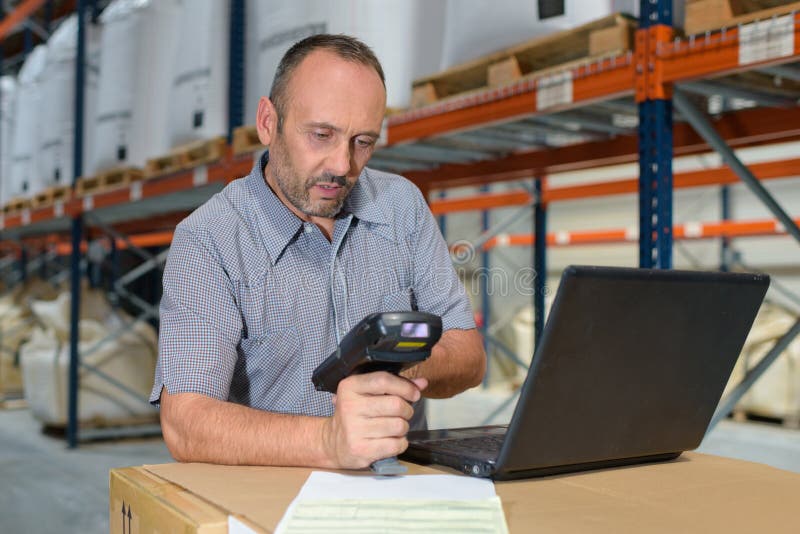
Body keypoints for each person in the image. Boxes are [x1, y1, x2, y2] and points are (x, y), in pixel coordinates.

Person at [151, 34, 486, 469]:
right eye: (321, 135)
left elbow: (468, 355)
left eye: (362, 141)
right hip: (272, 502)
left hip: (399, 490)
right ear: (268, 122)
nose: (342, 165)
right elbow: (186, 424)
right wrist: (330, 440)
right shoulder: (209, 241)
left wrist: (389, 369)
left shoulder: (401, 206)